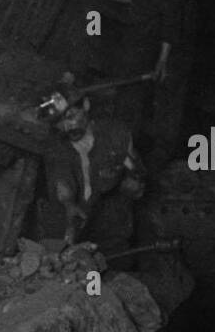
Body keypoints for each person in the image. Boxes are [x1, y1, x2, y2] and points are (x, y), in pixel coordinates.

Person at [39, 85, 145, 254]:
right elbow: (60, 179)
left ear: (86, 105)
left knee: (113, 254)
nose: (67, 127)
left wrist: (133, 182)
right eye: (59, 123)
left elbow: (135, 171)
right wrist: (68, 204)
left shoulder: (116, 135)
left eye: (71, 116)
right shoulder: (57, 146)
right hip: (72, 216)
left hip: (110, 214)